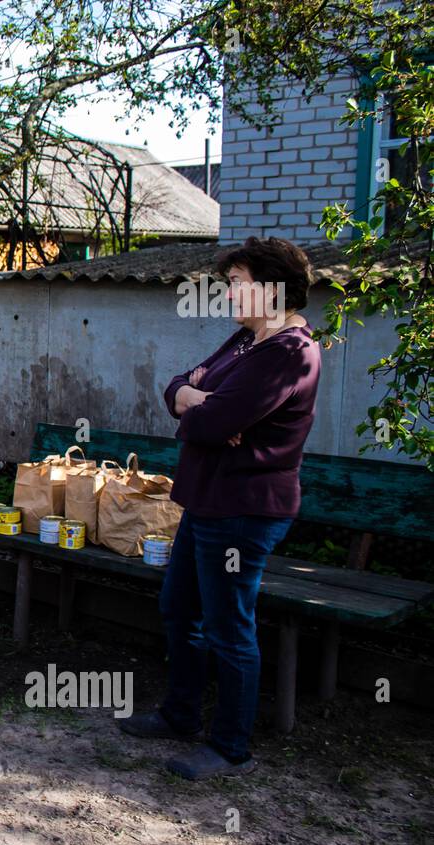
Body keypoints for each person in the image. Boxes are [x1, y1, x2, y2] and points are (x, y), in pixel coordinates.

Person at [120, 235, 322, 780]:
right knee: (179, 608)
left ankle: (231, 746)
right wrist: (197, 398)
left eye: (238, 283)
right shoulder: (245, 341)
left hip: (244, 509)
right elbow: (175, 391)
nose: (229, 293)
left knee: (228, 626)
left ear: (273, 288)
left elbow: (209, 422)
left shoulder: (290, 352)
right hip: (206, 500)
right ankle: (181, 714)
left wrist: (206, 407)